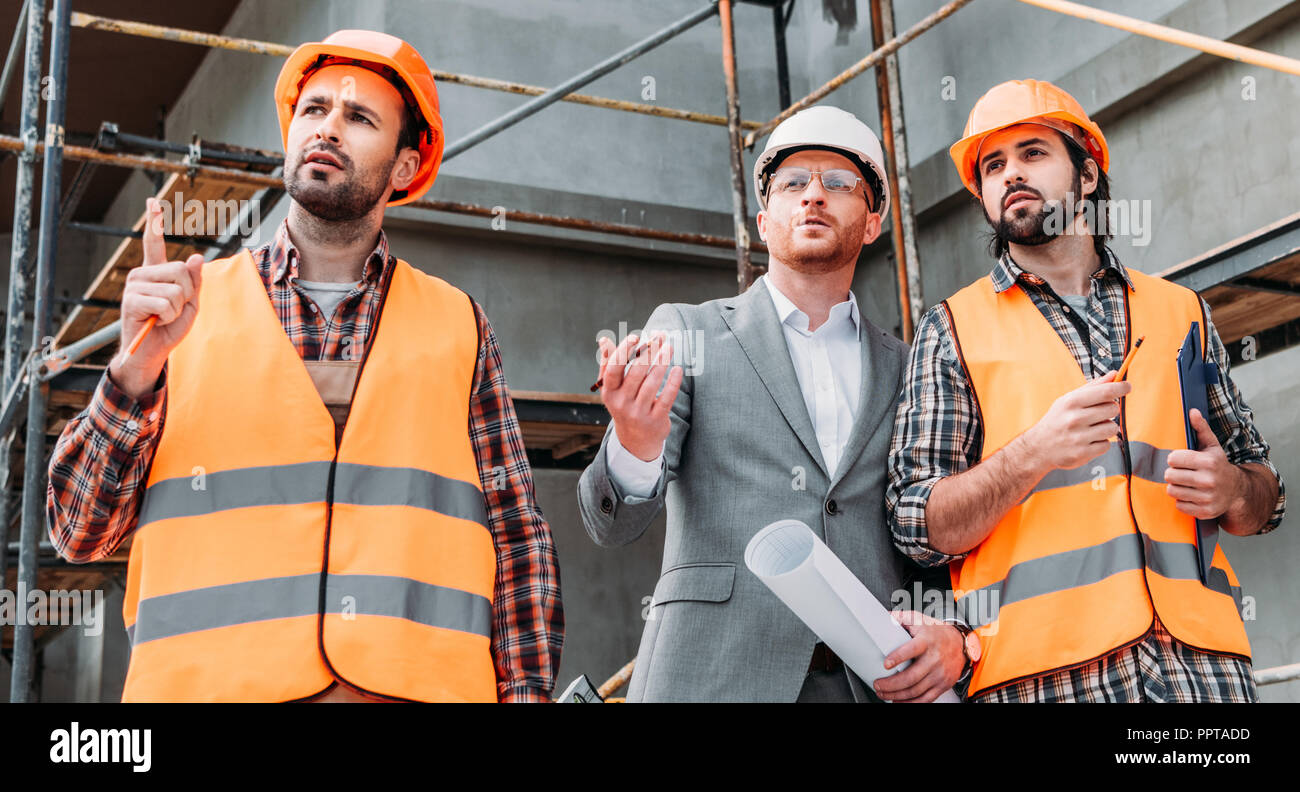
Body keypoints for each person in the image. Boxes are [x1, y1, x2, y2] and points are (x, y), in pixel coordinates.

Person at [47, 30, 563, 703]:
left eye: (358, 118)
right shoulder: (186, 312)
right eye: (314, 110)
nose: (326, 129)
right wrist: (132, 374)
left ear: (405, 168)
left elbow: (517, 541)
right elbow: (78, 534)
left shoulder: (458, 325)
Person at [888, 79, 1285, 702]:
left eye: (1033, 153)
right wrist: (1035, 451)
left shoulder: (1181, 310)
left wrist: (1233, 487)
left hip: (1202, 673)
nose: (1011, 173)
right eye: (993, 166)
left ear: (1089, 178)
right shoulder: (952, 328)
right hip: (1044, 677)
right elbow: (917, 525)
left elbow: (1267, 500)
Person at [578, 106, 967, 703]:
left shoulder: (909, 365)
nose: (814, 196)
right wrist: (634, 443)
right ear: (764, 221)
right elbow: (614, 524)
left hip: (871, 683)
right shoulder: (688, 332)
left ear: (871, 223)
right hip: (716, 675)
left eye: (838, 184)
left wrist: (954, 635)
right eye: (793, 184)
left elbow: (925, 535)